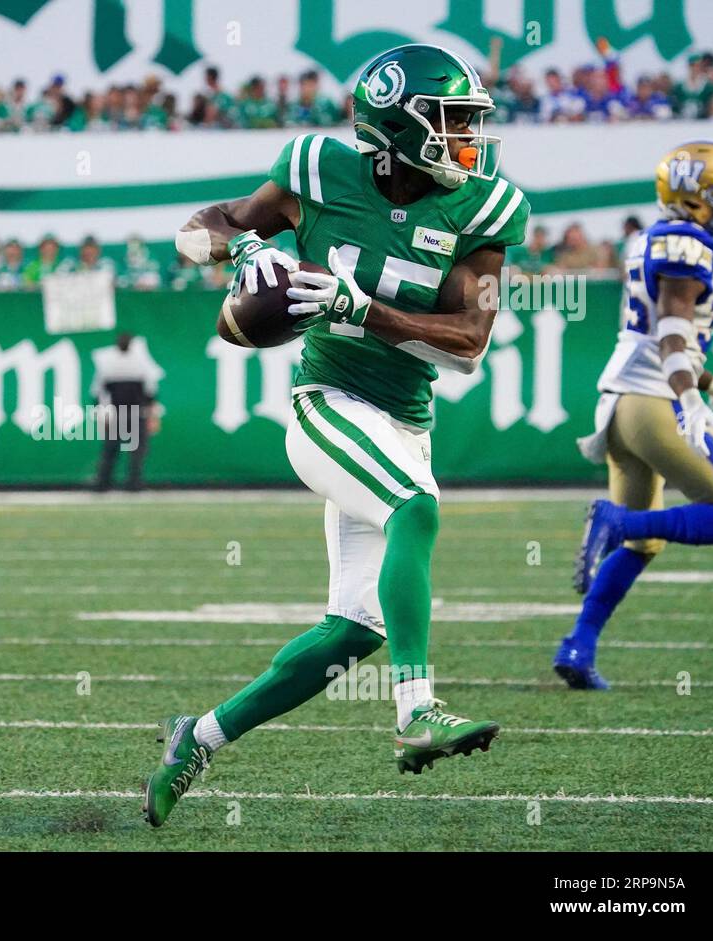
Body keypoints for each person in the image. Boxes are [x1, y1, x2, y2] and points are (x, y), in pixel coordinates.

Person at [145, 44, 528, 827]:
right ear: (397, 127)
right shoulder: (317, 167)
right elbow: (195, 230)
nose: (467, 140)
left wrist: (363, 309)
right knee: (415, 510)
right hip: (326, 402)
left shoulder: (484, 207)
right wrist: (245, 247)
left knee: (353, 631)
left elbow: (471, 337)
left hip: (405, 421)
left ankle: (200, 736)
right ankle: (417, 712)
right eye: (451, 122)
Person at [558, 141, 713, 690]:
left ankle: (577, 647)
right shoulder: (688, 241)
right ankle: (616, 521)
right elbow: (673, 333)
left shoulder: (648, 238)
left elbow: (658, 333)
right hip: (654, 401)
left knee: (645, 546)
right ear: (697, 196)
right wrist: (690, 398)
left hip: (622, 404)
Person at [91, 333, 163, 491]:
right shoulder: (140, 363)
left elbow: (98, 392)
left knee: (112, 449)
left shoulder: (108, 364)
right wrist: (152, 413)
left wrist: (101, 412)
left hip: (119, 413)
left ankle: (104, 483)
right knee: (133, 450)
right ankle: (132, 483)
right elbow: (150, 392)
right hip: (133, 413)